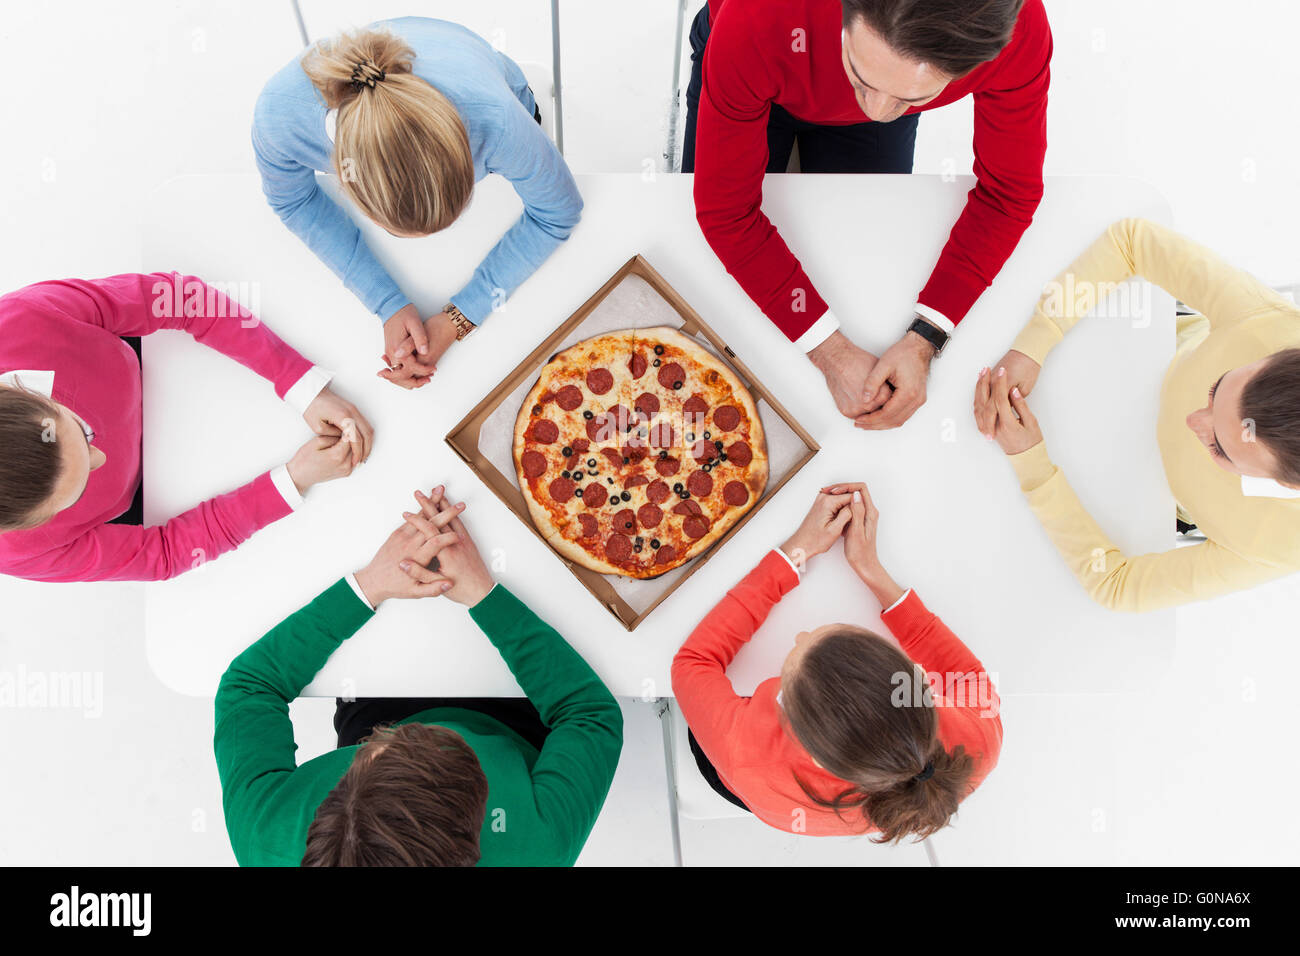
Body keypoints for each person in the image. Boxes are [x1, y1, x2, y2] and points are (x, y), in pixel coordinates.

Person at [684, 0, 1051, 430]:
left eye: (911, 96)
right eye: (861, 79)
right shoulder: (759, 15)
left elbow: (1009, 193)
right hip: (758, 53)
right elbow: (725, 211)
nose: (873, 112)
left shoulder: (1018, 30)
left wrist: (926, 336)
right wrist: (828, 350)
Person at [214, 485, 623, 866]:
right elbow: (590, 714)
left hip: (371, 710)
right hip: (520, 718)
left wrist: (367, 586)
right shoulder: (537, 852)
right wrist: (486, 596)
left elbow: (250, 686)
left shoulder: (266, 835)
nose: (427, 728)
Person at [976, 217, 1300, 612]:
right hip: (1144, 349)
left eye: (1221, 449)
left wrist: (1031, 464)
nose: (1192, 422)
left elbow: (1115, 586)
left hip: (1139, 489)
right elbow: (1131, 241)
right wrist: (1037, 340)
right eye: (1215, 391)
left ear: (1287, 487)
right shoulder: (1273, 322)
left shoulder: (1278, 545)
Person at [253, 17, 583, 390]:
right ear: (345, 181)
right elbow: (292, 202)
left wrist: (459, 317)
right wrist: (386, 300)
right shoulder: (278, 118)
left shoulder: (500, 118)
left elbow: (559, 211)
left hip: (497, 83)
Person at [671, 482, 1001, 840]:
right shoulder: (979, 744)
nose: (798, 637)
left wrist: (796, 551)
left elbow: (693, 661)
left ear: (815, 756)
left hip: (748, 785)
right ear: (917, 680)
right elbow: (967, 677)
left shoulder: (746, 752)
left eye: (785, 688)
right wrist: (871, 569)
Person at [0, 272, 370, 582]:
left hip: (168, 365)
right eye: (75, 493)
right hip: (168, 487)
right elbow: (164, 554)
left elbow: (180, 299)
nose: (101, 457)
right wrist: (293, 480)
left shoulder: (22, 320)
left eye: (82, 433)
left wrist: (299, 382)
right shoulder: (17, 553)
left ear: (23, 392)